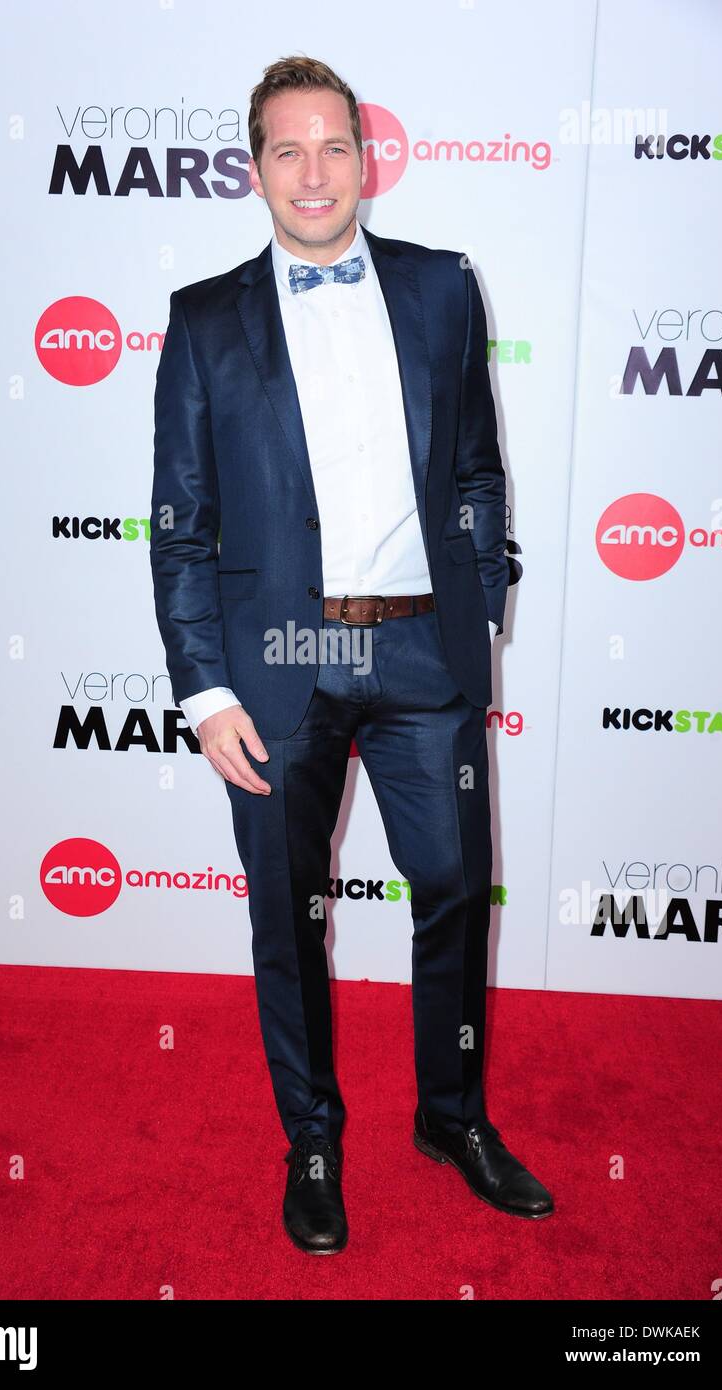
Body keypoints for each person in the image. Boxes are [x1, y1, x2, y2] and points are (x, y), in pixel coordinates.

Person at [150, 54, 553, 1255]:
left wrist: (484, 603)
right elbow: (179, 522)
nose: (314, 172)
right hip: (279, 669)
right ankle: (313, 1138)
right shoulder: (205, 318)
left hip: (426, 654)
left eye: (335, 146)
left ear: (367, 161)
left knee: (451, 895)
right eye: (289, 149)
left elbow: (478, 466)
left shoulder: (440, 289)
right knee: (290, 917)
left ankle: (452, 1114)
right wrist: (205, 684)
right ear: (256, 167)